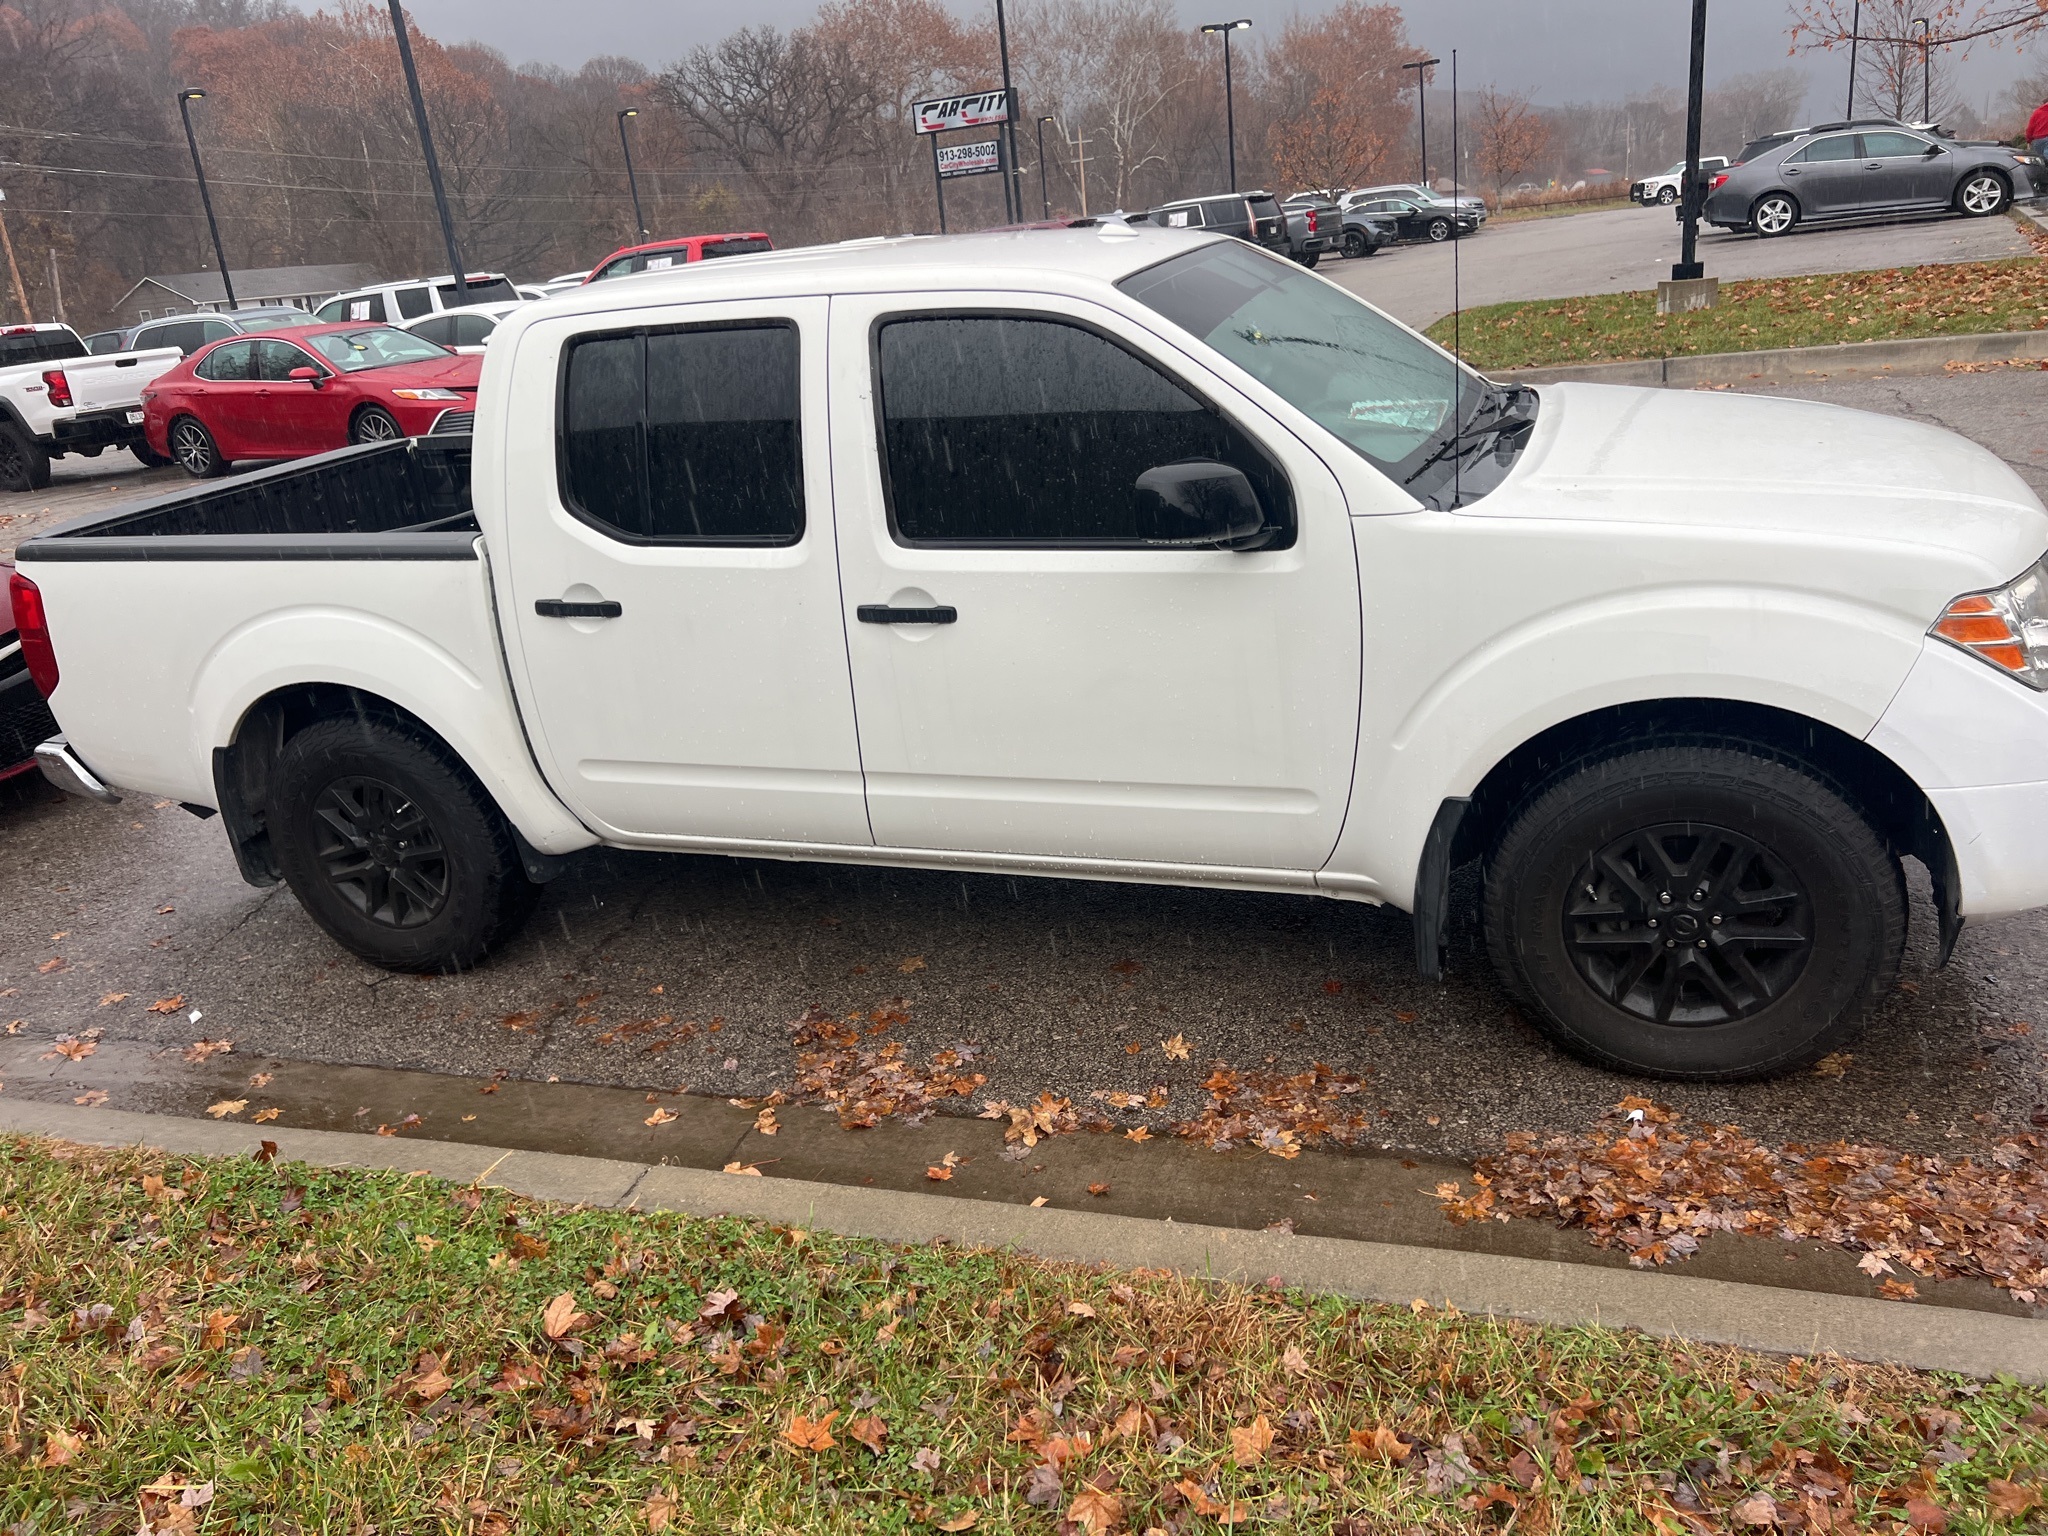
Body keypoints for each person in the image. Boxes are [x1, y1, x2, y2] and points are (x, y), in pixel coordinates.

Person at [2032, 95, 2048, 164]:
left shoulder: (2037, 112)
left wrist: (2028, 139)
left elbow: (2031, 127)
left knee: (2038, 161)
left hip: (2039, 139)